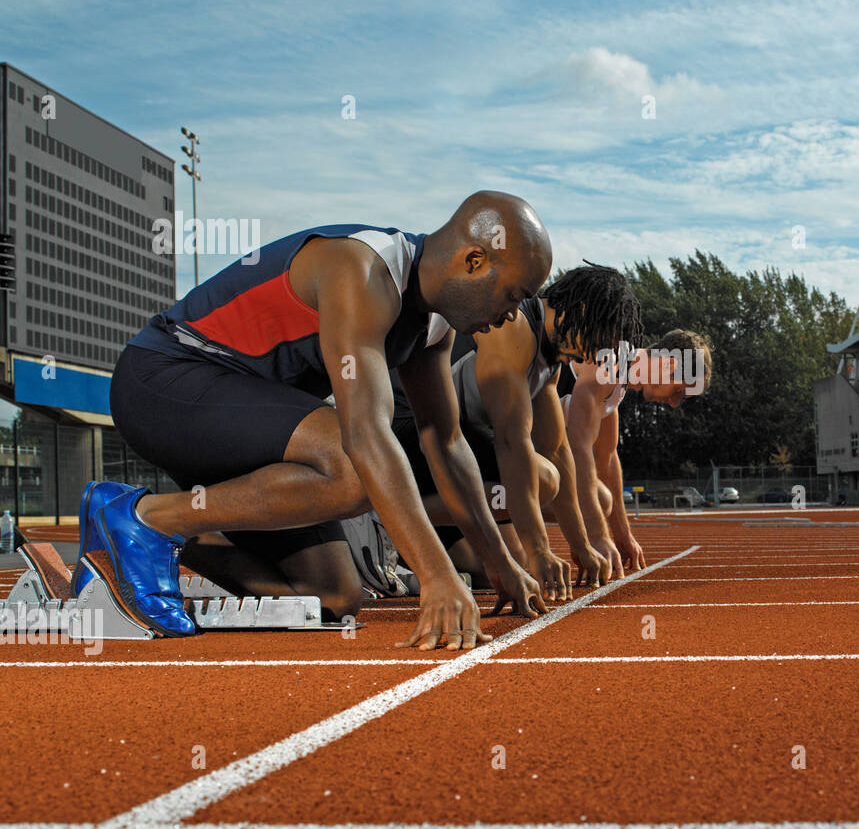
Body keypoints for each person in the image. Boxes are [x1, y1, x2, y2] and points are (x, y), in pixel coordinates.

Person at [90, 191, 548, 649]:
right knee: (353, 468)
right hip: (163, 379)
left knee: (329, 599)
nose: (511, 314)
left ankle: (143, 535)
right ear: (473, 260)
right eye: (514, 295)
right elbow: (366, 434)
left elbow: (446, 444)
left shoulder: (434, 326)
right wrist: (436, 575)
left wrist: (500, 563)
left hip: (239, 423)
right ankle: (147, 519)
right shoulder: (362, 267)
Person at [391, 264, 644, 604]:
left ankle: (415, 531)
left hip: (457, 446)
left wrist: (581, 545)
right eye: (597, 342)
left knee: (493, 567)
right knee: (543, 482)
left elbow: (556, 449)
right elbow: (512, 445)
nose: (590, 357)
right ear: (582, 312)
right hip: (409, 429)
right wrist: (540, 550)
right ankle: (386, 514)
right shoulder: (515, 330)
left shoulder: (549, 359)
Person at [558, 330, 712, 578]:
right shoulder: (612, 363)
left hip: (510, 455)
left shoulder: (619, 385)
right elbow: (580, 449)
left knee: (602, 497)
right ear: (670, 364)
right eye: (678, 391)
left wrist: (623, 535)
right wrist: (592, 538)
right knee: (597, 496)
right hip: (496, 448)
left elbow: (606, 459)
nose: (674, 402)